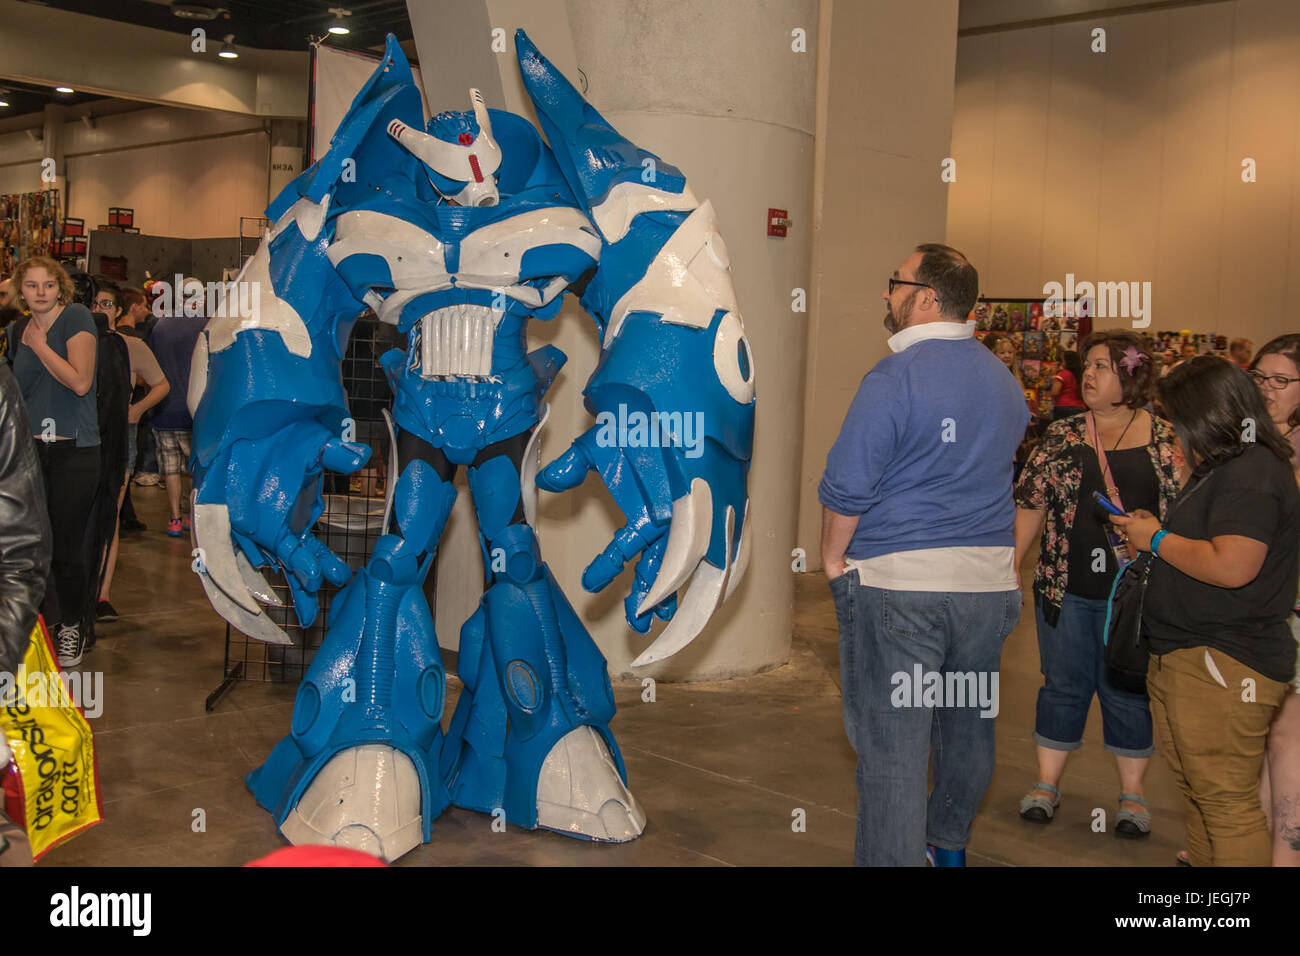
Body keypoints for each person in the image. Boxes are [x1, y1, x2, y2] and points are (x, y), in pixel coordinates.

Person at [820, 243, 1028, 867]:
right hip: (987, 592)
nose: (886, 294)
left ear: (927, 299)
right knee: (968, 730)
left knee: (894, 752)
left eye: (895, 284)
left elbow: (849, 484)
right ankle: (949, 848)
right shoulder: (1003, 379)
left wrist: (833, 560)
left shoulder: (894, 378)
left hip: (902, 588)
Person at [1112, 357, 1299, 867]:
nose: (1174, 431)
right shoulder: (1227, 466)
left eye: (1178, 420)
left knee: (1225, 802)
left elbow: (1234, 566)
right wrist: (1156, 537)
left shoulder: (1253, 471)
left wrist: (1156, 538)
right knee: (1199, 792)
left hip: (1224, 658)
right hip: (1189, 653)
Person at [1013, 331, 1180, 837]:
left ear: (1130, 376)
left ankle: (1132, 797)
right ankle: (1046, 785)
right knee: (1061, 687)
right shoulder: (1062, 435)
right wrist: (1008, 569)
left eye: (1103, 366)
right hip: (1064, 590)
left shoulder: (1167, 441)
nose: (1089, 374)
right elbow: (1030, 504)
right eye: (1088, 364)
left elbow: (1187, 515)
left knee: (1126, 691)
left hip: (1134, 597)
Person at [4, 256, 99, 666]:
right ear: (20, 291)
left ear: (60, 288)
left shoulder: (76, 317)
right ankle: (38, 629)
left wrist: (40, 346)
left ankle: (73, 626)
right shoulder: (14, 331)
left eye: (47, 285)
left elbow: (80, 381)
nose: (40, 292)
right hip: (29, 453)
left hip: (74, 451)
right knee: (27, 548)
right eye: (31, 285)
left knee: (65, 548)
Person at [1248, 334, 1300, 866]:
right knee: (1268, 743)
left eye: (1281, 381)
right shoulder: (1261, 443)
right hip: (1267, 612)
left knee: (1287, 741)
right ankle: (1250, 849)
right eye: (1259, 377)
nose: (1266, 390)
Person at [90, 286, 169, 621]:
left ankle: (102, 595)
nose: (100, 309)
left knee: (110, 515)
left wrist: (135, 411)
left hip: (120, 438)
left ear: (118, 309)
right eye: (94, 303)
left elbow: (162, 384)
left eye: (107, 304)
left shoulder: (131, 345)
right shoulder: (78, 341)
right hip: (82, 438)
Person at [148, 277, 205, 537]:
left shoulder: (161, 326)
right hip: (195, 410)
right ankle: (194, 517)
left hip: (163, 408)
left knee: (170, 468)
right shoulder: (206, 326)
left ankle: (174, 518)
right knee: (195, 468)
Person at [1049, 349, 1086, 420]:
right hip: (1080, 408)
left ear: (1067, 362)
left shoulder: (1063, 374)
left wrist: (1053, 374)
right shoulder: (1080, 375)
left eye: (1062, 361)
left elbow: (1054, 392)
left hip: (1063, 407)